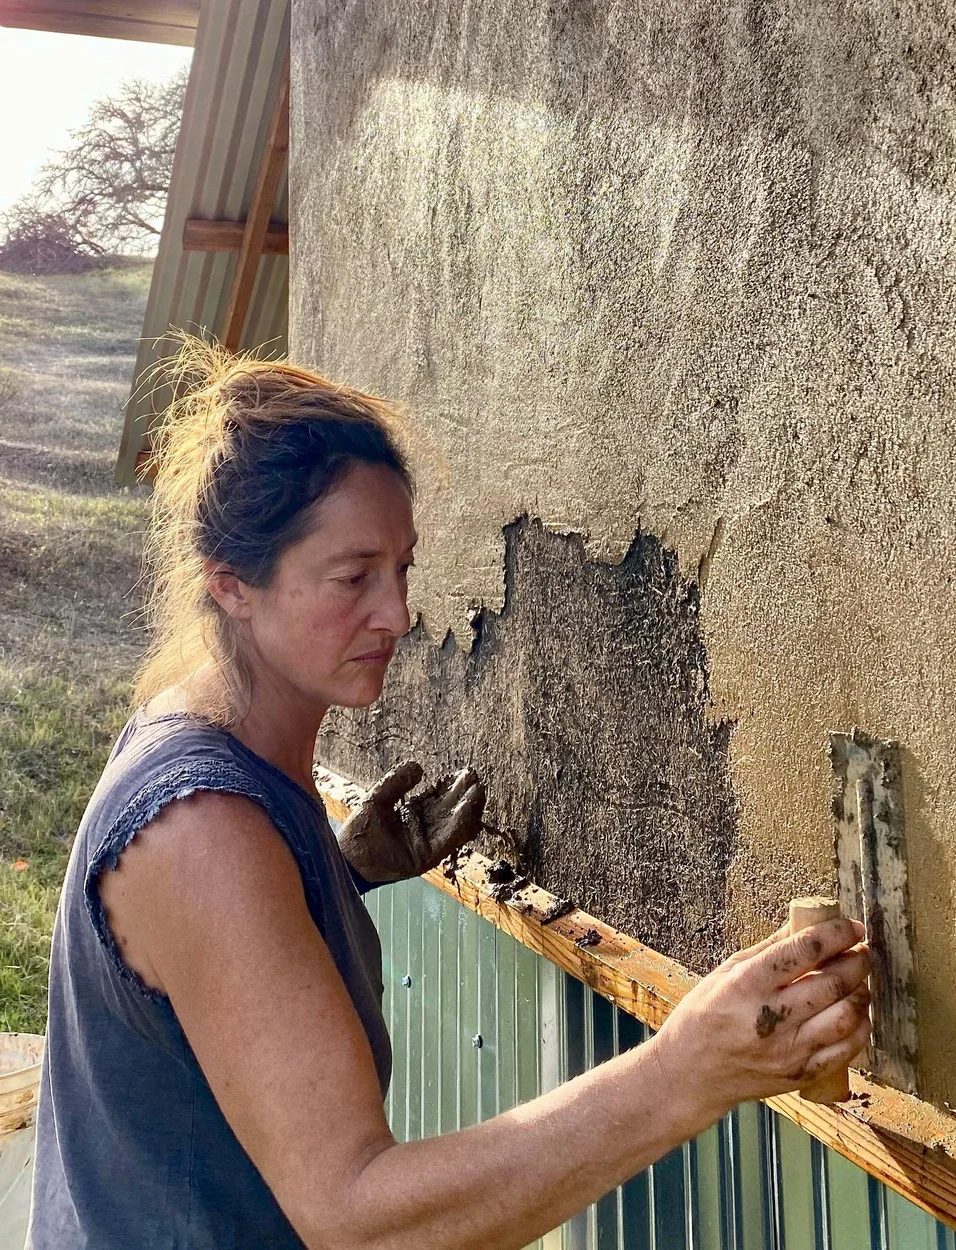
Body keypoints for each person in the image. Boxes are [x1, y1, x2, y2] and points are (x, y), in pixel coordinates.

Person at [28, 341, 871, 1249]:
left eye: (403, 570)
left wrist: (335, 878)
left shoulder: (206, 746)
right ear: (231, 586)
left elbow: (199, 988)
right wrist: (688, 1070)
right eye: (353, 578)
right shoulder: (200, 826)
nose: (394, 614)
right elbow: (358, 1220)